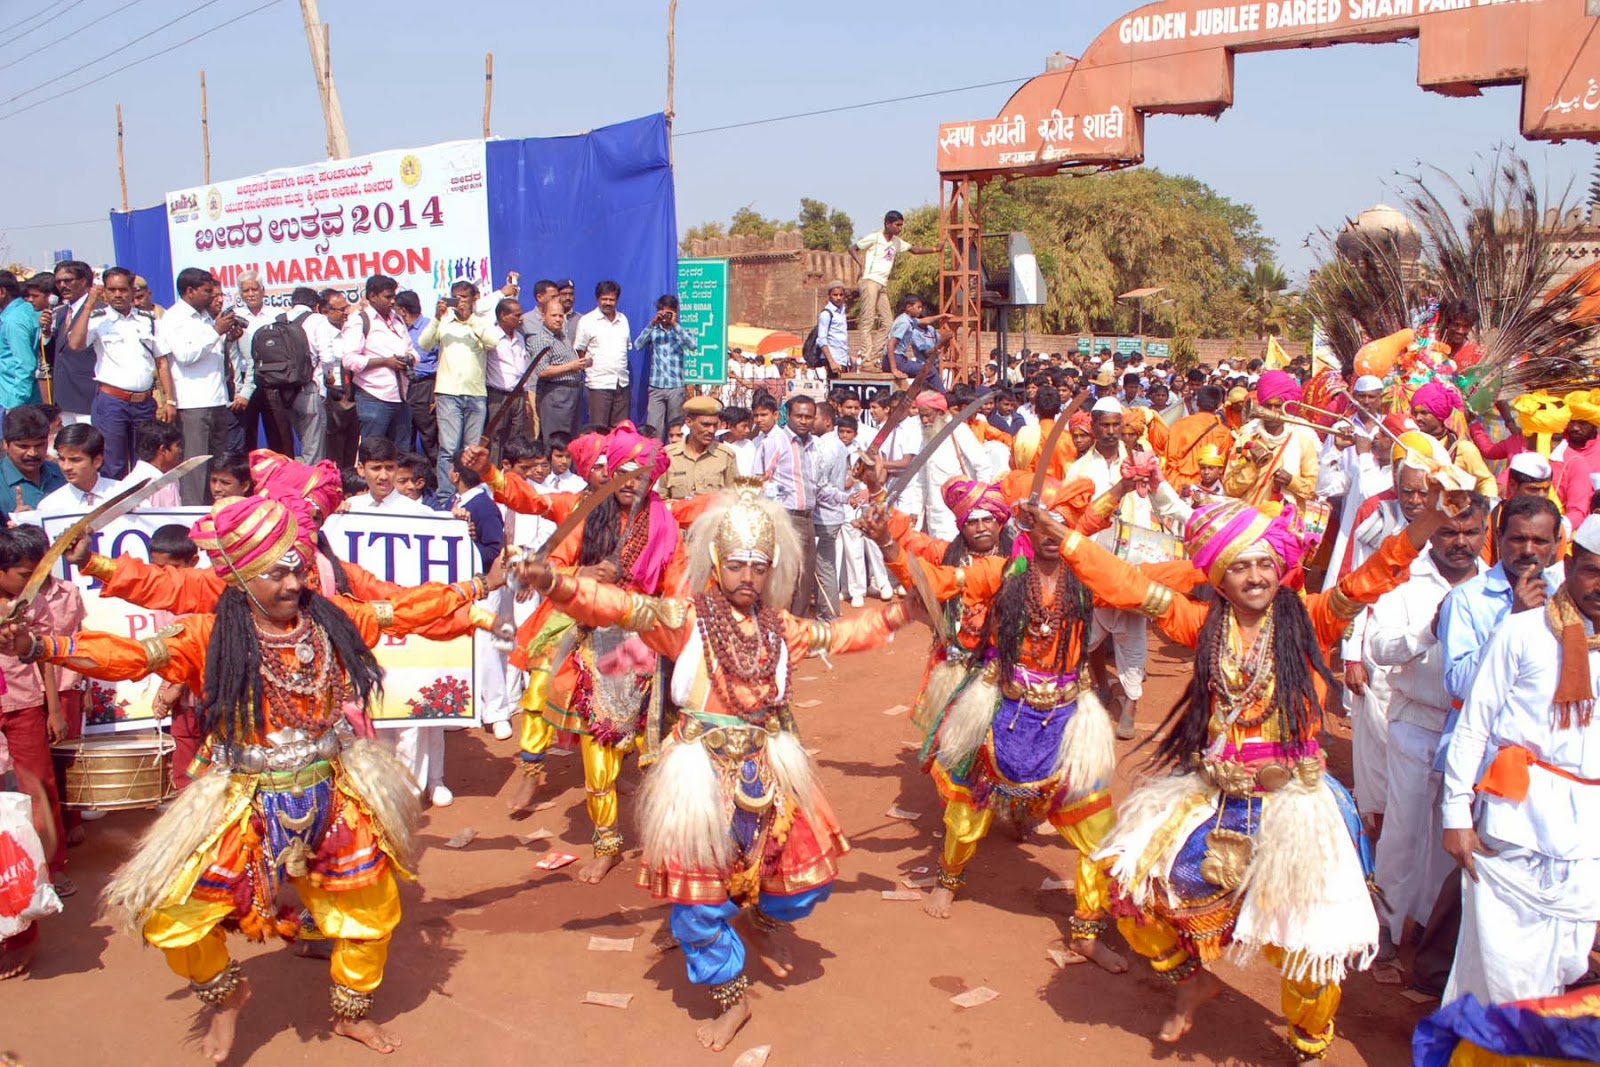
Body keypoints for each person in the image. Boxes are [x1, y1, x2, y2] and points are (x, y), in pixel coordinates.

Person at [1, 493, 495, 1061]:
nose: (293, 583)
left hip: (335, 792)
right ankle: (227, 996)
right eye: (275, 574)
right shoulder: (206, 635)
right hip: (244, 799)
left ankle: (349, 1013)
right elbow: (132, 656)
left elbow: (405, 610)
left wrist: (480, 586)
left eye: (297, 569)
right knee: (171, 916)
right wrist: (41, 646)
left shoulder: (332, 619)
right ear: (238, 579)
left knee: (371, 915)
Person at [512, 486, 918, 1051]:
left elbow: (843, 634)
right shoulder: (684, 618)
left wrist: (904, 609)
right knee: (697, 905)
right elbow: (619, 607)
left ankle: (758, 915)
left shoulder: (781, 626)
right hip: (698, 776)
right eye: (736, 565)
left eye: (758, 566)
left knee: (798, 885)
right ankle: (731, 996)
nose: (747, 576)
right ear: (716, 563)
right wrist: (556, 584)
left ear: (771, 570)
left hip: (767, 771)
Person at [1052, 491, 1447, 1061]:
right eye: (1240, 566)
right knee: (1132, 891)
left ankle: (1309, 1043)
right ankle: (1191, 980)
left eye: (1265, 563)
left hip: (1297, 805)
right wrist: (1067, 540)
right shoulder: (1201, 624)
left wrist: (1428, 520)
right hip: (1217, 795)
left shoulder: (1312, 618)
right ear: (1218, 577)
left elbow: (1370, 578)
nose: (1256, 576)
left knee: (1308, 946)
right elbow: (1130, 586)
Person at [1440, 512, 1600, 1006]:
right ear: (1568, 566)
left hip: (1587, 834)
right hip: (1518, 821)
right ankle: (1486, 1041)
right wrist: (1456, 815)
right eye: (1593, 571)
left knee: (1566, 961)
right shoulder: (1522, 632)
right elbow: (1474, 725)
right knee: (1504, 965)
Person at [1364, 495, 1489, 983]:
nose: (1460, 543)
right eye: (1449, 532)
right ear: (1432, 533)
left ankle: (1430, 929)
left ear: (1485, 534)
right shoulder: (1406, 580)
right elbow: (1379, 647)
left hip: (1472, 731)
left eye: (1471, 532)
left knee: (1451, 834)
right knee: (1404, 826)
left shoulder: (1497, 589)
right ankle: (1387, 923)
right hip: (1416, 719)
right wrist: (1428, 631)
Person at [0, 525, 84, 899]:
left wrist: (53, 709)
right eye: (23, 574)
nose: (31, 582)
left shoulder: (33, 602)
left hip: (25, 704)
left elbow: (45, 656)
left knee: (39, 786)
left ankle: (51, 867)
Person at [63, 268, 166, 480]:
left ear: (132, 291)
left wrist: (170, 400)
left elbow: (161, 361)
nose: (117, 295)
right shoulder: (98, 319)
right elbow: (74, 344)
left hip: (144, 402)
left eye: (122, 290)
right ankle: (114, 502)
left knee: (145, 463)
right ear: (105, 292)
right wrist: (89, 304)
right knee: (113, 463)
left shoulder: (148, 320)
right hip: (112, 402)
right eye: (111, 290)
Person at [759, 395, 853, 618]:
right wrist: (777, 501)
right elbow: (760, 481)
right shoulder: (774, 442)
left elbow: (819, 487)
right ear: (788, 416)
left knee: (805, 578)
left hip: (807, 519)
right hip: (783, 519)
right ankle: (778, 626)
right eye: (799, 416)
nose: (803, 421)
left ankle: (797, 626)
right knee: (783, 576)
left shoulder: (814, 446)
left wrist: (848, 498)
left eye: (808, 417)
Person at [156, 269, 235, 505]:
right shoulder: (174, 318)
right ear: (189, 291)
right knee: (195, 468)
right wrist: (215, 331)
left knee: (218, 466)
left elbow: (214, 356)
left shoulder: (205, 317)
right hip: (193, 403)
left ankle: (216, 512)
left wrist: (225, 335)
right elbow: (185, 355)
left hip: (217, 399)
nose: (212, 296)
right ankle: (193, 515)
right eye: (207, 291)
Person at [1222, 369, 1319, 520]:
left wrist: (1291, 481)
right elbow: (1229, 489)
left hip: (1287, 524)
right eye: (1267, 406)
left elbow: (1314, 490)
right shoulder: (1245, 440)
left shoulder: (1303, 441)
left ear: (1286, 407)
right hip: (1249, 523)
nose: (1272, 412)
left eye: (1278, 406)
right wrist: (1252, 467)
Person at [851, 210, 937, 371]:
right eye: (897, 225)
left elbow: (914, 250)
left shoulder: (897, 242)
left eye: (901, 225)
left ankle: (874, 358)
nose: (899, 228)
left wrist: (934, 249)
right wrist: (861, 265)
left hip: (882, 284)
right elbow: (853, 248)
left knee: (888, 323)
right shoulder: (875, 237)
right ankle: (866, 360)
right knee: (868, 320)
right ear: (888, 224)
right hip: (870, 281)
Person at [341, 275, 414, 446]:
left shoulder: (397, 320)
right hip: (373, 397)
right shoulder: (359, 321)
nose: (392, 301)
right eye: (387, 297)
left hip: (401, 397)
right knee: (374, 451)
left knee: (401, 453)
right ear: (372, 296)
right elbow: (349, 360)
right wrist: (385, 362)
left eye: (393, 296)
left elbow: (412, 350)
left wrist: (409, 358)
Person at [636, 294, 698, 439]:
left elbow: (693, 345)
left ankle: (674, 453)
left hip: (675, 386)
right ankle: (655, 453)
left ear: (675, 312)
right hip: (656, 386)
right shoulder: (654, 331)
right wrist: (652, 323)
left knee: (675, 428)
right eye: (663, 312)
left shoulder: (682, 331)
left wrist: (675, 324)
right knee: (653, 429)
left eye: (669, 312)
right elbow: (638, 345)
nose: (666, 316)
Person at [394, 291, 438, 494]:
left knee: (430, 439)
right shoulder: (397, 329)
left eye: (396, 309)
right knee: (404, 439)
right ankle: (406, 487)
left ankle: (434, 487)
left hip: (425, 386)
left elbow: (442, 359)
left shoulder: (430, 327)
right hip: (402, 387)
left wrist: (436, 392)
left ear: (403, 310)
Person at [526, 294, 585, 444]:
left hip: (573, 393)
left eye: (561, 315)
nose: (558, 319)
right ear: (543, 316)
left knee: (571, 438)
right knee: (556, 439)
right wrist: (571, 366)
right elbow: (542, 370)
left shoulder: (562, 337)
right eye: (554, 315)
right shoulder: (542, 340)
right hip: (556, 394)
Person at [45, 260, 96, 424]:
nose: (62, 285)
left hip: (87, 396)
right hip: (64, 396)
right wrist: (46, 333)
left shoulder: (97, 311)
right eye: (58, 281)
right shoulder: (61, 313)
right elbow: (58, 351)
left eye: (68, 280)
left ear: (83, 281)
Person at [575, 280, 631, 428]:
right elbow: (580, 350)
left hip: (621, 383)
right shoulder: (587, 321)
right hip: (598, 384)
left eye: (612, 299)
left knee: (620, 431)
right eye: (604, 299)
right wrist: (590, 371)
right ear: (597, 299)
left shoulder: (623, 320)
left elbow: (625, 348)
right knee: (599, 431)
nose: (608, 303)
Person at [662, 395, 737, 501]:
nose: (711, 430)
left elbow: (733, 497)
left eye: (715, 425)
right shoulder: (668, 456)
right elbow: (659, 499)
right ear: (689, 422)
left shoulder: (725, 456)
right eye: (705, 425)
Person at [33, 423, 116, 517]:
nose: (66, 467)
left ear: (97, 461)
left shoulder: (123, 496)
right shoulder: (49, 507)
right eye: (61, 459)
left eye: (75, 460)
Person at [1164, 385, 1233, 492]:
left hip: (1175, 485)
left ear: (1197, 403)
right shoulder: (1223, 432)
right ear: (1219, 404)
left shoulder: (1179, 424)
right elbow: (1222, 466)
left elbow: (1169, 458)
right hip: (1204, 487)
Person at [0, 405, 65, 515]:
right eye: (23, 446)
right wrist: (16, 524)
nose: (32, 453)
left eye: (39, 445)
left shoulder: (62, 473)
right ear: (5, 444)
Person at [0, 273, 46, 412]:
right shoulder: (26, 310)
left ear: (2, 292)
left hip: (13, 400)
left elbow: (25, 364)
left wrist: (15, 405)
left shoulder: (14, 320)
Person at [888, 295, 946, 390]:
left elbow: (926, 320)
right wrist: (894, 369)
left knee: (923, 376)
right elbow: (891, 344)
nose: (920, 310)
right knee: (930, 371)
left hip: (899, 359)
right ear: (909, 307)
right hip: (897, 359)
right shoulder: (905, 323)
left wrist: (942, 316)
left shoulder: (908, 320)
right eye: (918, 307)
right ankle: (944, 396)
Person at [815, 281, 851, 377]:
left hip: (843, 359)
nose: (838, 298)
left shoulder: (842, 311)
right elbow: (821, 340)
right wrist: (831, 362)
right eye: (835, 295)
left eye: (841, 295)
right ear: (829, 296)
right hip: (832, 360)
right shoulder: (826, 314)